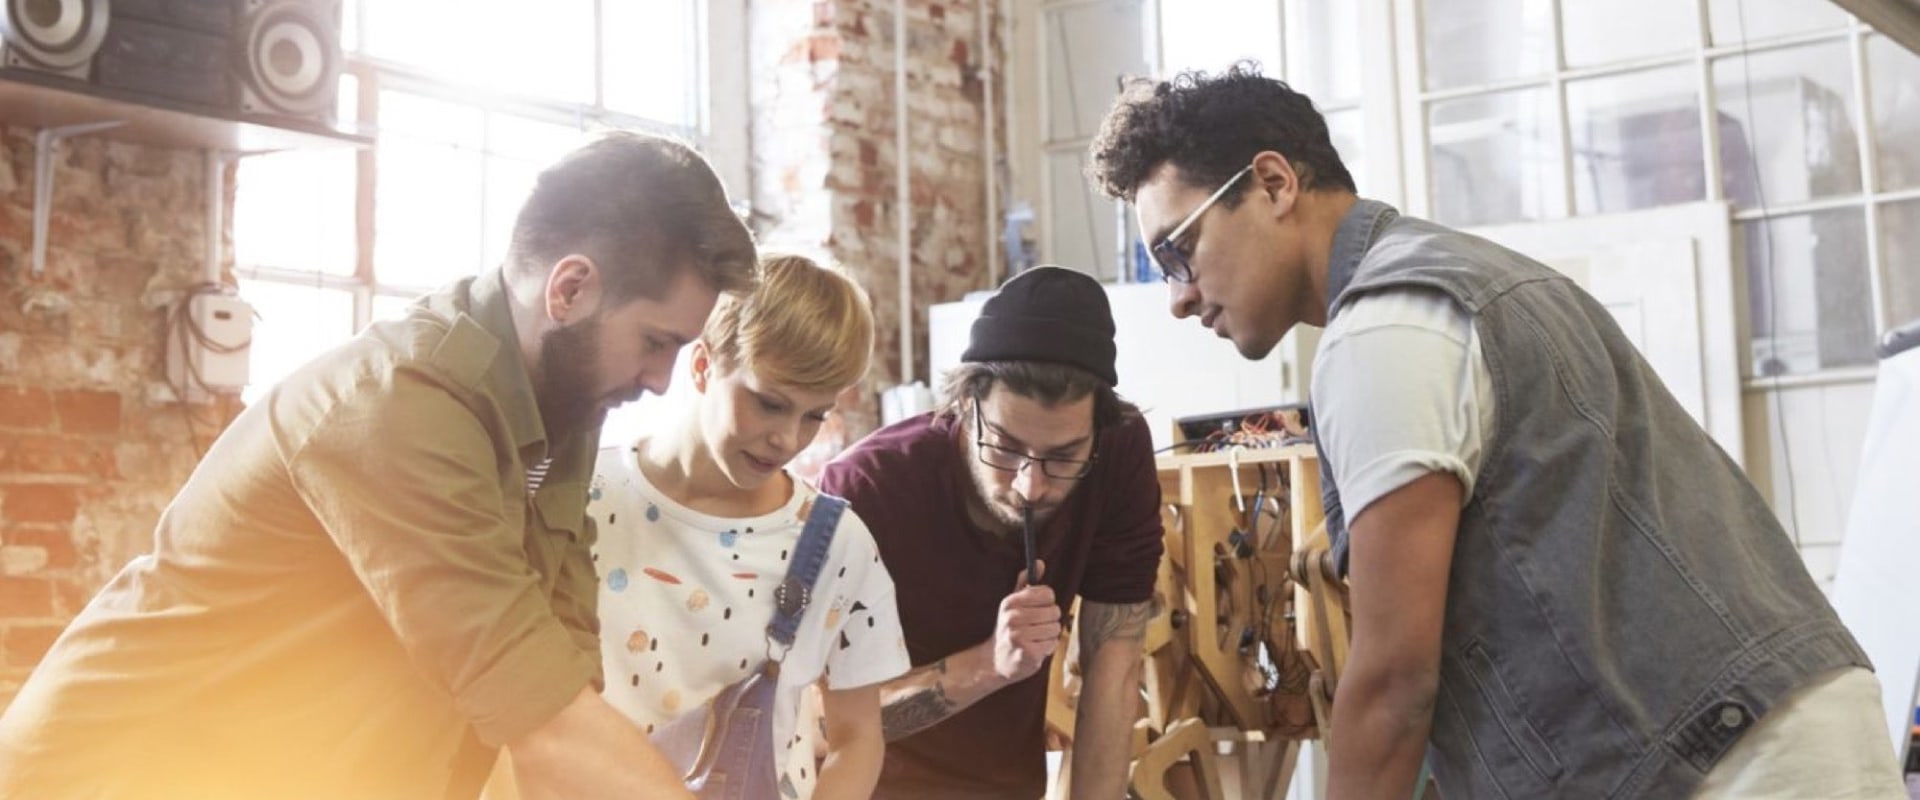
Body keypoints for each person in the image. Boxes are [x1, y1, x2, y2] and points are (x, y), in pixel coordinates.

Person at [1089, 62, 1909, 799]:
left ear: (1271, 184)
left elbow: (1394, 679)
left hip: (1728, 766)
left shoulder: (1384, 328)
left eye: (1176, 251)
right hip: (1774, 727)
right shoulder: (1478, 276)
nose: (1178, 297)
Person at [0, 132, 759, 799]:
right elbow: (543, 719)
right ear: (569, 289)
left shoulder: (563, 401)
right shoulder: (399, 406)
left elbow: (561, 671)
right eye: (657, 342)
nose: (662, 380)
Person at [818, 266, 1165, 800]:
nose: (1030, 485)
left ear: (1099, 431)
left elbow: (1114, 662)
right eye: (1005, 448)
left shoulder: (1116, 454)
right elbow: (823, 722)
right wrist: (988, 665)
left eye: (1063, 456)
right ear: (965, 405)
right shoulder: (866, 491)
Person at [588, 253, 909, 799]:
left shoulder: (836, 544)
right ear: (702, 366)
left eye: (814, 415)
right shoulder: (581, 496)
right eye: (770, 403)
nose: (787, 439)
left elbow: (858, 738)